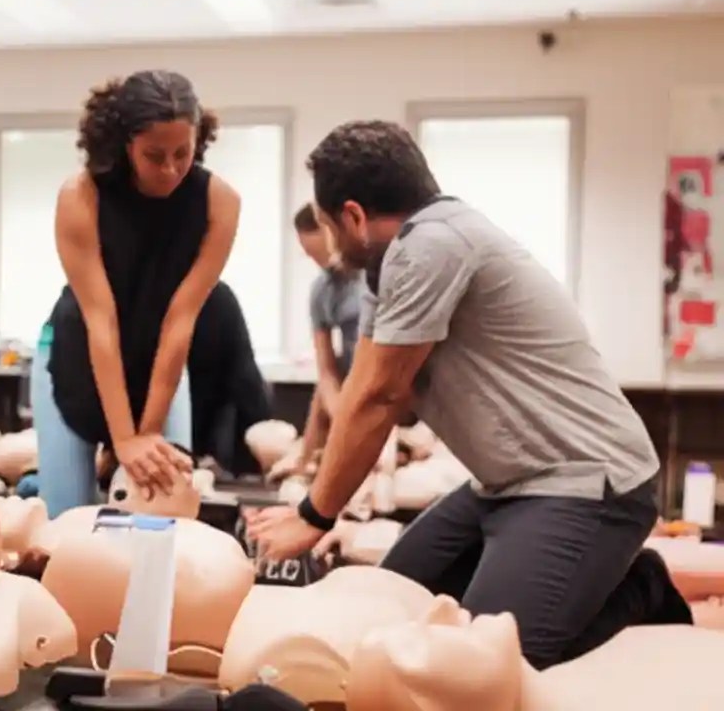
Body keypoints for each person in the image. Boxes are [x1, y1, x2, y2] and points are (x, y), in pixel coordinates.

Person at [248, 120, 691, 670]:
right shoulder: (384, 267)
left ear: (354, 217)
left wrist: (315, 515)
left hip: (585, 483)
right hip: (503, 483)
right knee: (389, 613)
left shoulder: (433, 244)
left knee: (475, 669)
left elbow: (380, 399)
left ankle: (636, 591)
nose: (330, 248)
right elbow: (368, 388)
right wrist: (319, 480)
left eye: (329, 227)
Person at [31, 70, 240, 518]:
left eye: (182, 153)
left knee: (161, 508)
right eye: (154, 155)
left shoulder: (220, 202)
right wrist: (123, 440)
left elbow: (181, 319)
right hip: (76, 358)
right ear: (124, 145)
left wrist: (144, 434)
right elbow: (99, 319)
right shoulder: (81, 195)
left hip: (160, 362)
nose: (170, 169)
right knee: (69, 518)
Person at [292, 202, 365, 476]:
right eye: (311, 257)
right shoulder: (322, 289)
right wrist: (341, 417)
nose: (320, 264)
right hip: (349, 389)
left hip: (387, 383)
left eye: (320, 254)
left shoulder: (375, 277)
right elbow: (326, 370)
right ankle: (304, 466)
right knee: (322, 397)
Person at [186, 281, 271, 475]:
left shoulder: (216, 298)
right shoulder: (216, 295)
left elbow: (248, 389)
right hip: (202, 446)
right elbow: (249, 391)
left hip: (145, 443)